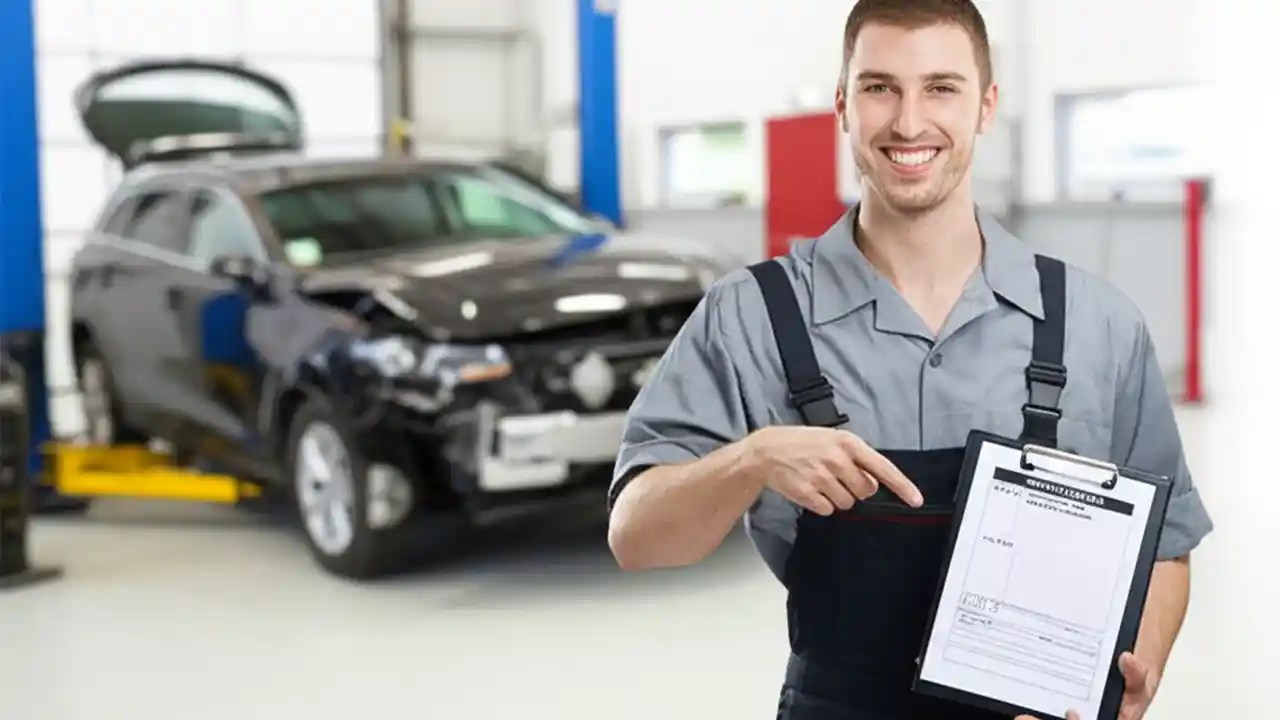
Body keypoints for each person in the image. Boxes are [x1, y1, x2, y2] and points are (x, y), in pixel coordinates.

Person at [605, 1, 1214, 718]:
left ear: (986, 106)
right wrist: (754, 458)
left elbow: (1167, 545)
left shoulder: (1098, 326)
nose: (908, 122)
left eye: (941, 88)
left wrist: (1122, 688)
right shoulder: (750, 317)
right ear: (842, 104)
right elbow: (637, 537)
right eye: (879, 87)